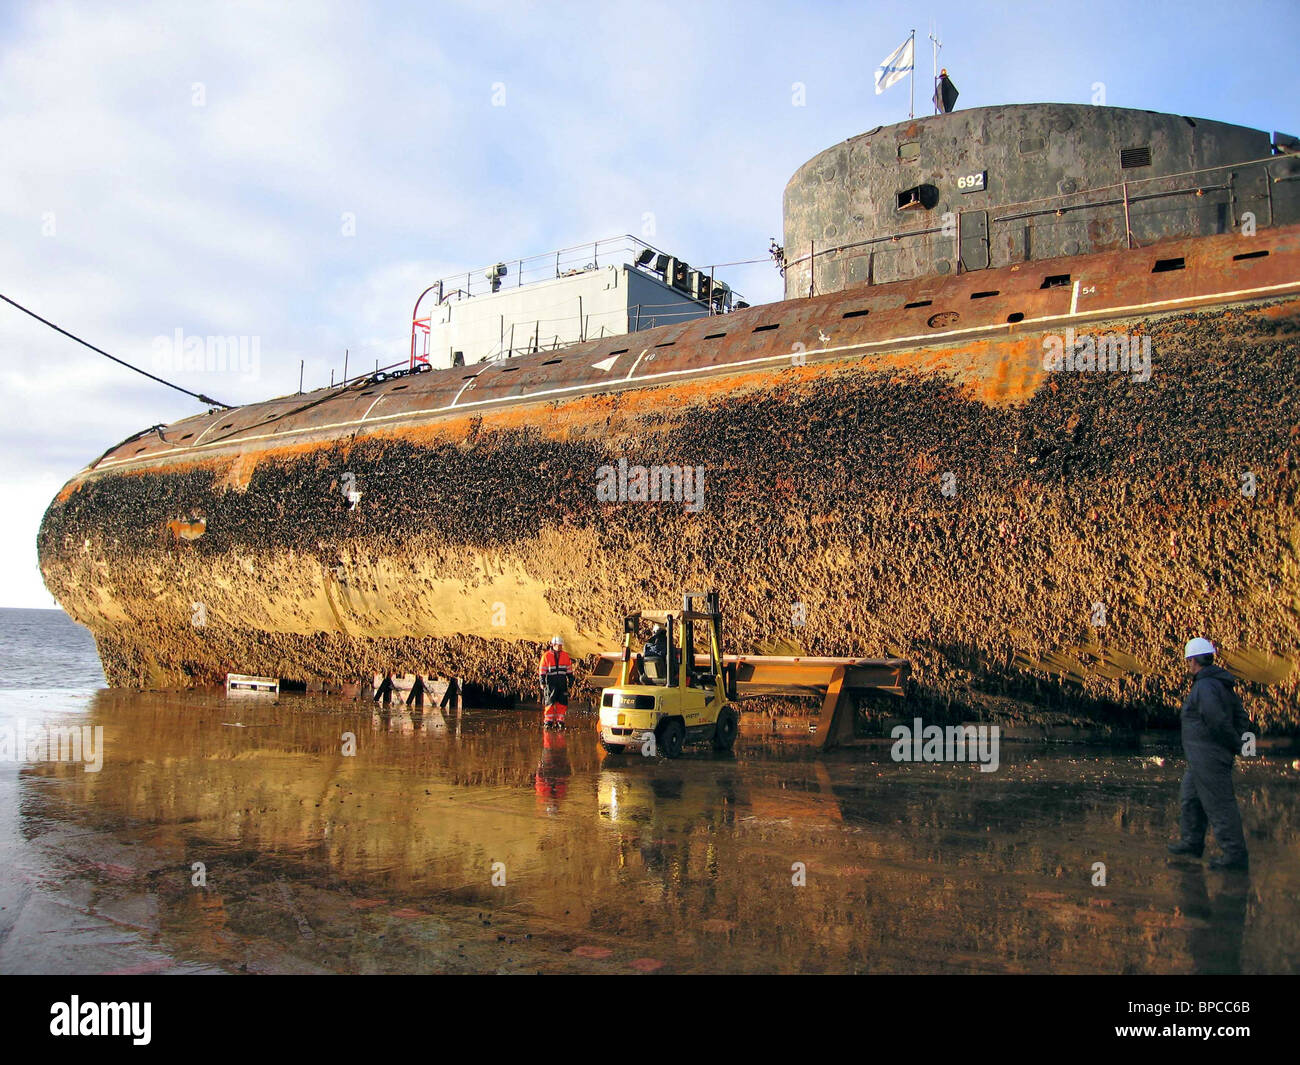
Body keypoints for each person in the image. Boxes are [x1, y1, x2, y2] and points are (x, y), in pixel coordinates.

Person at [1167, 638, 1252, 870]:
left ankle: (1235, 855)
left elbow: (1217, 721)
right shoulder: (1218, 684)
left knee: (1220, 805)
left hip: (1209, 758)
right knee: (1190, 798)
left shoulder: (1205, 686)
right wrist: (1236, 742)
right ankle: (1192, 842)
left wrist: (1233, 744)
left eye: (1188, 661)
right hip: (1200, 759)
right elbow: (1241, 717)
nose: (1188, 665)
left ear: (1193, 661)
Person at [538, 635, 574, 728]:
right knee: (549, 702)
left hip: (562, 683)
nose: (560, 647)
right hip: (551, 683)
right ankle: (548, 721)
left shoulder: (565, 656)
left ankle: (560, 721)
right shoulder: (546, 656)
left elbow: (569, 670)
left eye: (561, 645)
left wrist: (570, 681)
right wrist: (542, 682)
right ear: (553, 645)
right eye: (559, 645)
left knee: (562, 703)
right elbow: (542, 670)